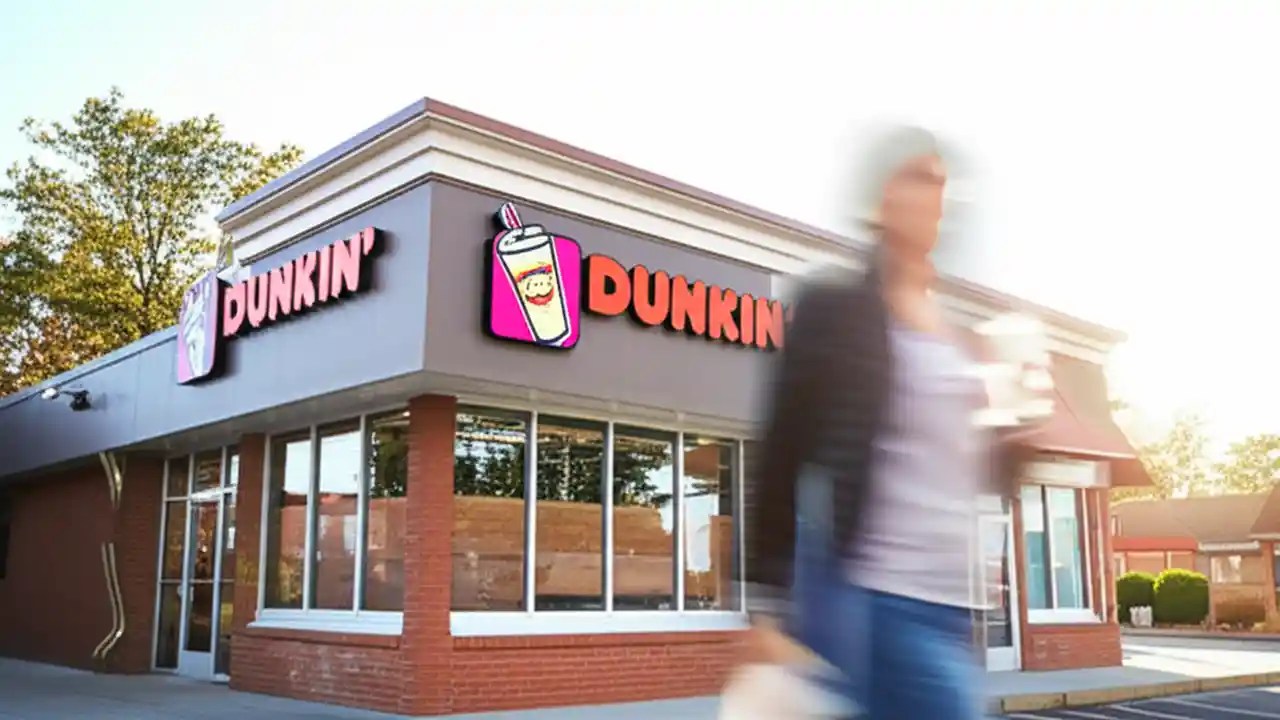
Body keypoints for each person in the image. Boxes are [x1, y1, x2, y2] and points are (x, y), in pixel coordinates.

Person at [742, 126, 1042, 719]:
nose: (938, 196)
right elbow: (781, 454)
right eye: (922, 177)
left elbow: (973, 472)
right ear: (882, 195)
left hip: (953, 610)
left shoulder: (951, 329)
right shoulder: (837, 307)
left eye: (944, 184)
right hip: (877, 599)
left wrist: (1017, 429)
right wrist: (767, 606)